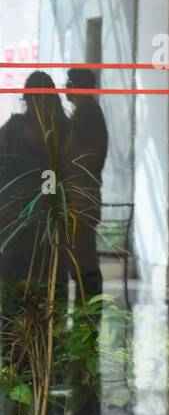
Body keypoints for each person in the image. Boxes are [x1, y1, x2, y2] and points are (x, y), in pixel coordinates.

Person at [0, 72, 71, 291]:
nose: (40, 104)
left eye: (45, 98)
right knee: (12, 286)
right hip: (14, 220)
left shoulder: (62, 132)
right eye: (35, 99)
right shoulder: (11, 130)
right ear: (27, 100)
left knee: (48, 282)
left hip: (46, 220)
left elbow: (67, 174)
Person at [65, 68, 108, 303]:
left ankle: (89, 309)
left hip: (81, 197)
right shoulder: (89, 114)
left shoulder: (86, 117)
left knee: (83, 258)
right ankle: (88, 309)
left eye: (69, 83)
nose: (66, 88)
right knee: (83, 256)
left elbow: (82, 157)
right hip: (84, 195)